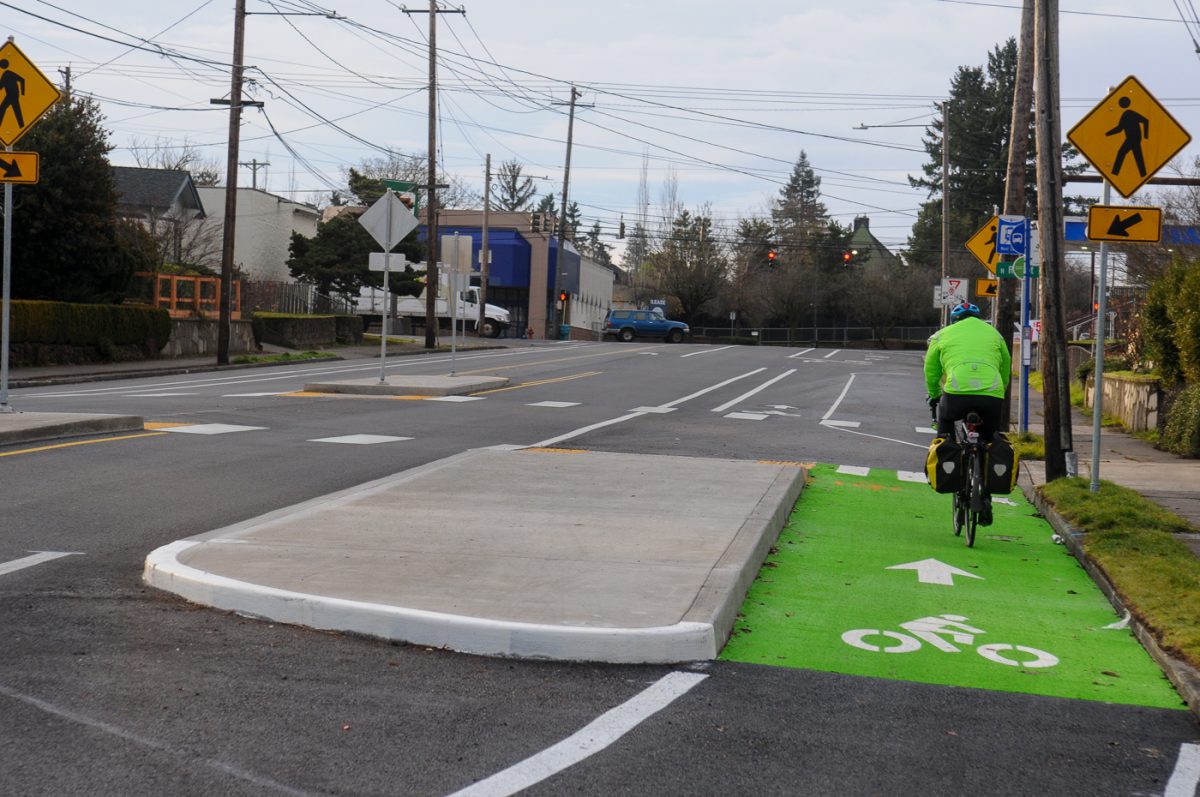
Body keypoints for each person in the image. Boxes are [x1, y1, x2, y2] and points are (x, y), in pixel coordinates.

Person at [924, 302, 1012, 524]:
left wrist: (934, 395)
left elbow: (931, 369)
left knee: (944, 429)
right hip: (991, 394)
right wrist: (1001, 390)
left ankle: (948, 470)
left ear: (955, 320)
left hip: (957, 392)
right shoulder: (995, 334)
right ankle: (987, 496)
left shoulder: (941, 335)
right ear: (979, 317)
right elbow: (1005, 366)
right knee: (989, 441)